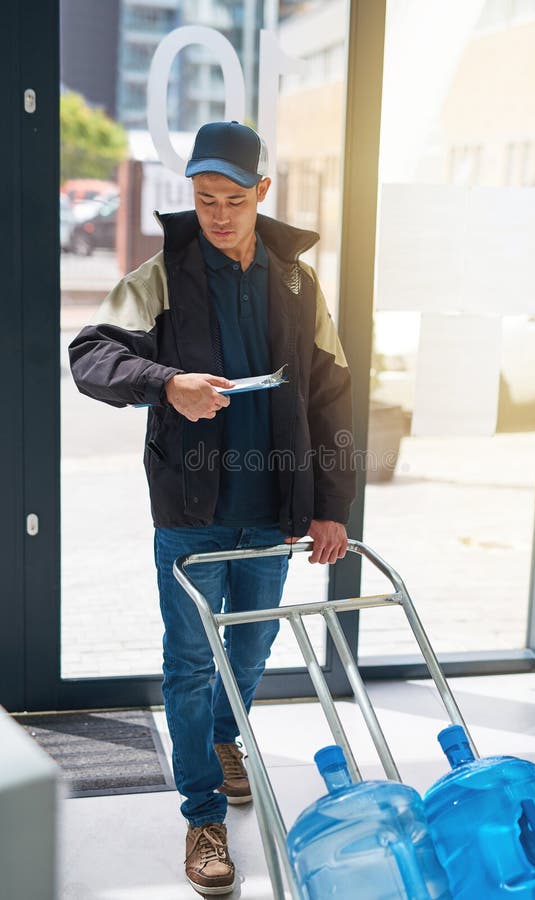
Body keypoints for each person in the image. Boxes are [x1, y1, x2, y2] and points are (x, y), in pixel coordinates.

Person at [69, 120, 355, 896]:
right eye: (203, 199)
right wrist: (167, 382)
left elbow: (331, 392)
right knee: (191, 663)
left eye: (234, 199)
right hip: (191, 509)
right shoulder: (163, 272)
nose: (219, 215)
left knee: (253, 649)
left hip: (273, 506)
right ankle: (202, 818)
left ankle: (226, 741)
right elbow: (91, 355)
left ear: (263, 192)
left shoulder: (298, 282)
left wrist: (332, 505)